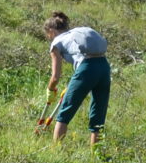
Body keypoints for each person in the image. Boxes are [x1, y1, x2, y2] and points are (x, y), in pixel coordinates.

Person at [44, 12, 109, 144]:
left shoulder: (56, 42)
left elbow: (55, 77)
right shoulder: (76, 32)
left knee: (64, 113)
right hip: (104, 67)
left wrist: (50, 90)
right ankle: (98, 156)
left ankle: (55, 151)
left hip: (86, 69)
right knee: (98, 114)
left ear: (51, 31)